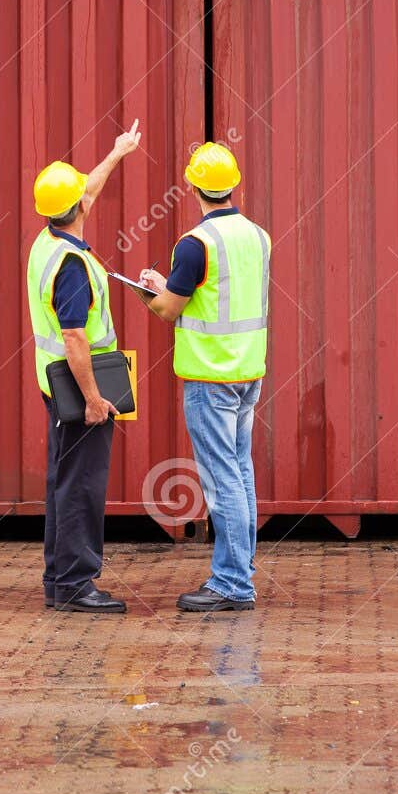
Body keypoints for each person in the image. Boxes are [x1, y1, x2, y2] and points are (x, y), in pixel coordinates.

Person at [139, 143, 270, 614]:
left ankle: (233, 584)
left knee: (221, 480)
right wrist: (170, 284)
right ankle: (242, 570)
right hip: (247, 371)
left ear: (192, 187)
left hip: (209, 376)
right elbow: (220, 295)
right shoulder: (258, 236)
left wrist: (147, 294)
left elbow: (169, 309)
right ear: (235, 184)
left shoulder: (195, 244)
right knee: (241, 473)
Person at [27, 121, 142, 614]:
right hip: (80, 389)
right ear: (76, 210)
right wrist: (96, 399)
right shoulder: (72, 266)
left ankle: (60, 580)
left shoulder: (48, 240)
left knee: (64, 480)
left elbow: (85, 190)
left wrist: (117, 153)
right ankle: (76, 585)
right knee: (82, 485)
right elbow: (75, 336)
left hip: (55, 386)